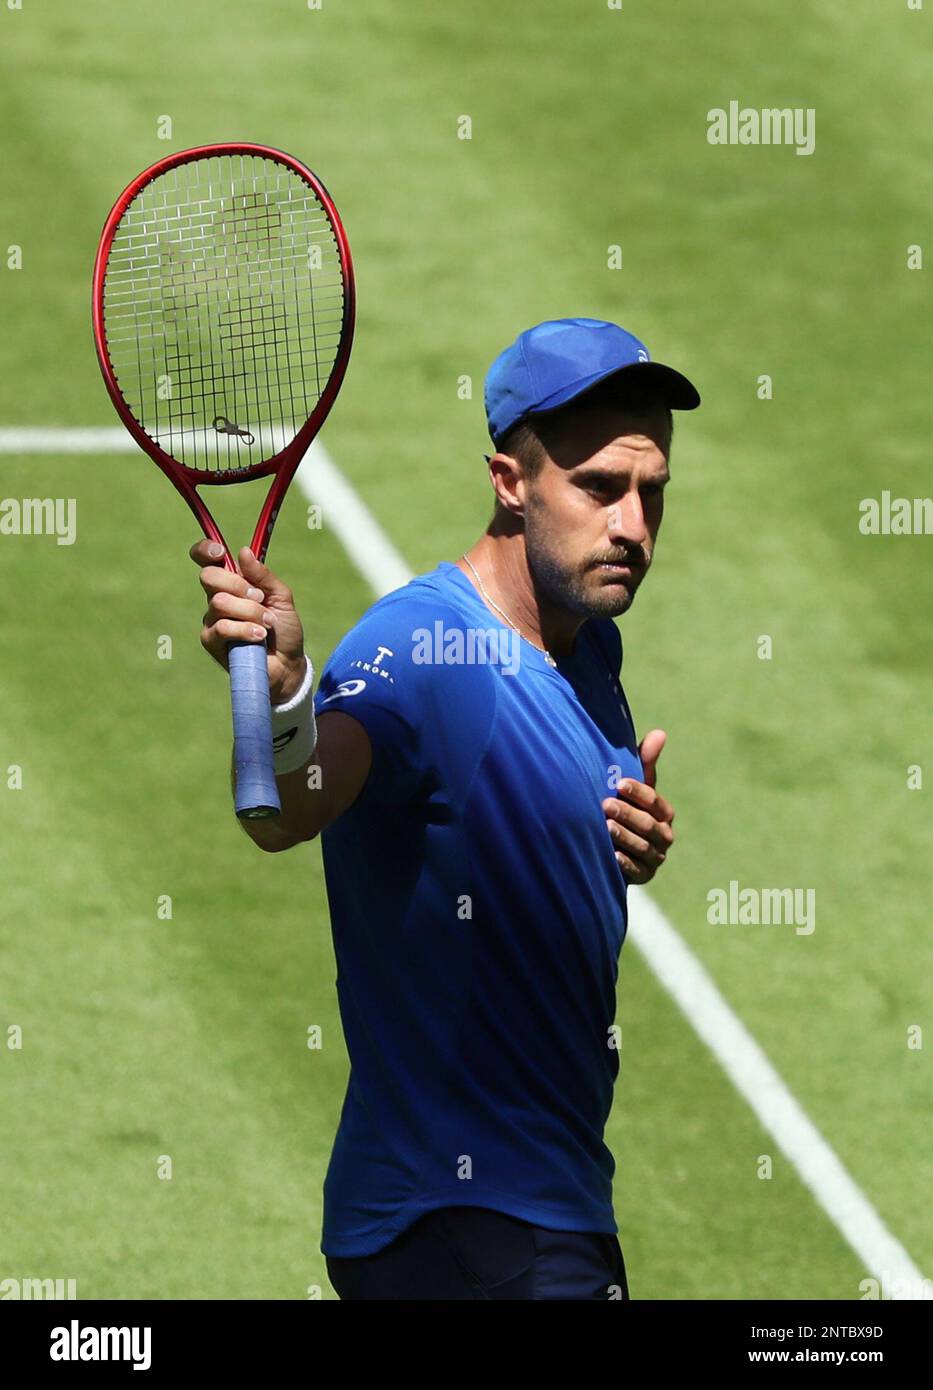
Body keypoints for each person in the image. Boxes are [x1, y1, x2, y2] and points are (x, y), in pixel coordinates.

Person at [191, 317, 700, 1299]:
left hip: (525, 1202)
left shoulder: (589, 644)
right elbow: (284, 809)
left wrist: (621, 836)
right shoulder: (423, 651)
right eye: (599, 488)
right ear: (510, 482)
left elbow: (513, 817)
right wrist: (282, 690)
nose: (633, 525)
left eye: (652, 494)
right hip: (469, 1220)